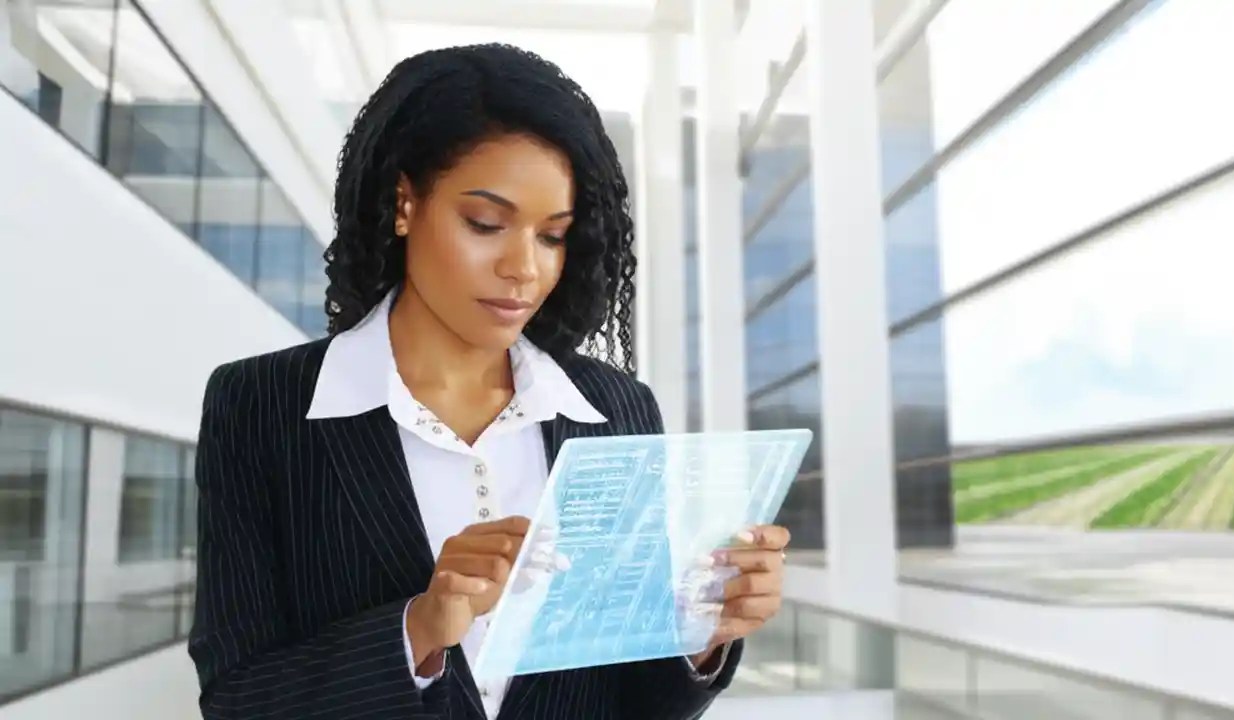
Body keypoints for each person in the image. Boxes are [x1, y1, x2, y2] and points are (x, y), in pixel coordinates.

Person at [187, 43, 790, 720]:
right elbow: (237, 699)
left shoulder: (616, 408)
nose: (523, 269)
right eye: (485, 224)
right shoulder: (260, 408)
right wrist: (417, 629)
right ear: (404, 203)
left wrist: (701, 634)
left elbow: (635, 701)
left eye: (552, 235)